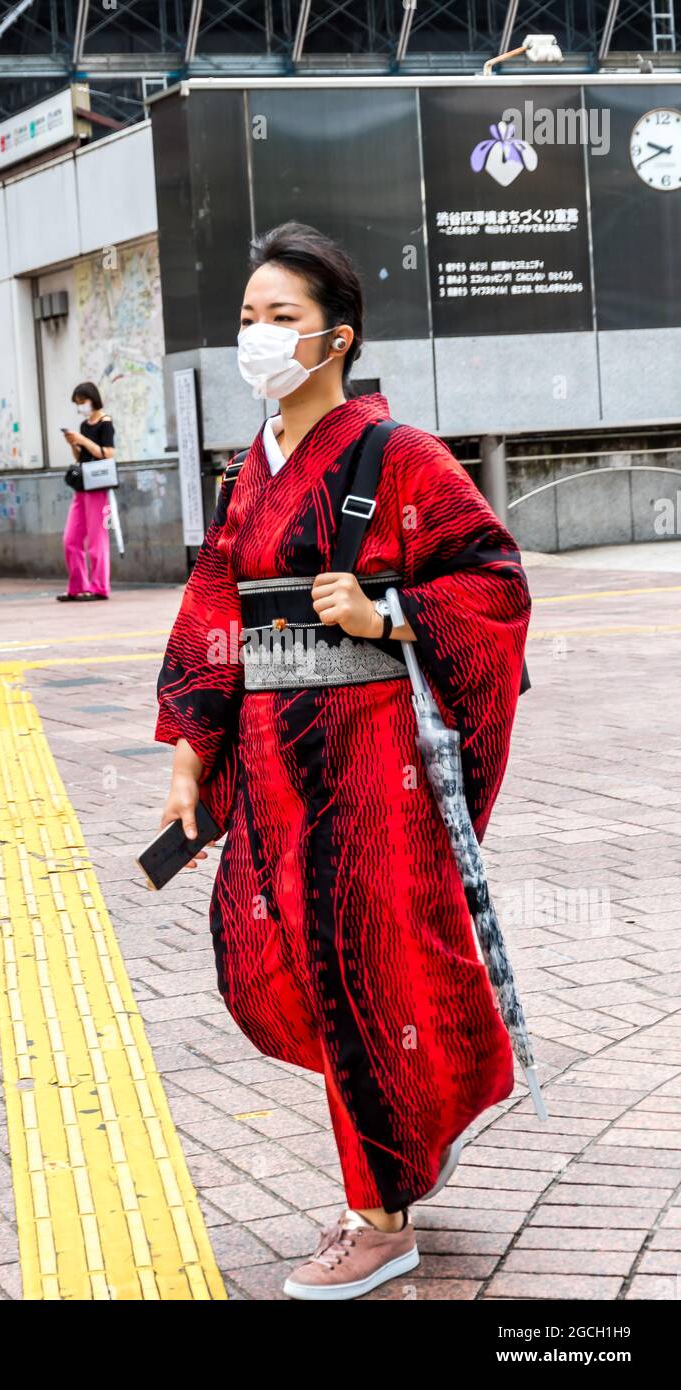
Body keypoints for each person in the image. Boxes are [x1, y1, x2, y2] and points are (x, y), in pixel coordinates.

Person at [153, 221, 531, 1300]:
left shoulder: (398, 455)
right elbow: (213, 609)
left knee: (355, 967)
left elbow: (494, 581)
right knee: (261, 967)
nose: (258, 337)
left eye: (282, 320)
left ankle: (378, 1217)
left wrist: (390, 611)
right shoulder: (249, 472)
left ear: (337, 340)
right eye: (246, 319)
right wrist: (191, 745)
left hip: (372, 775)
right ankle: (425, 1098)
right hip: (274, 765)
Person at [58, 382, 115, 602]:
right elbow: (80, 457)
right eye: (77, 404)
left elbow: (108, 454)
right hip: (82, 486)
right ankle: (77, 586)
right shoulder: (84, 425)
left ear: (92, 399)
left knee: (97, 539)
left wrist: (83, 440)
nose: (80, 407)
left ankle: (99, 587)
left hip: (99, 487)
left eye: (82, 402)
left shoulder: (105, 423)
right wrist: (74, 443)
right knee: (70, 539)